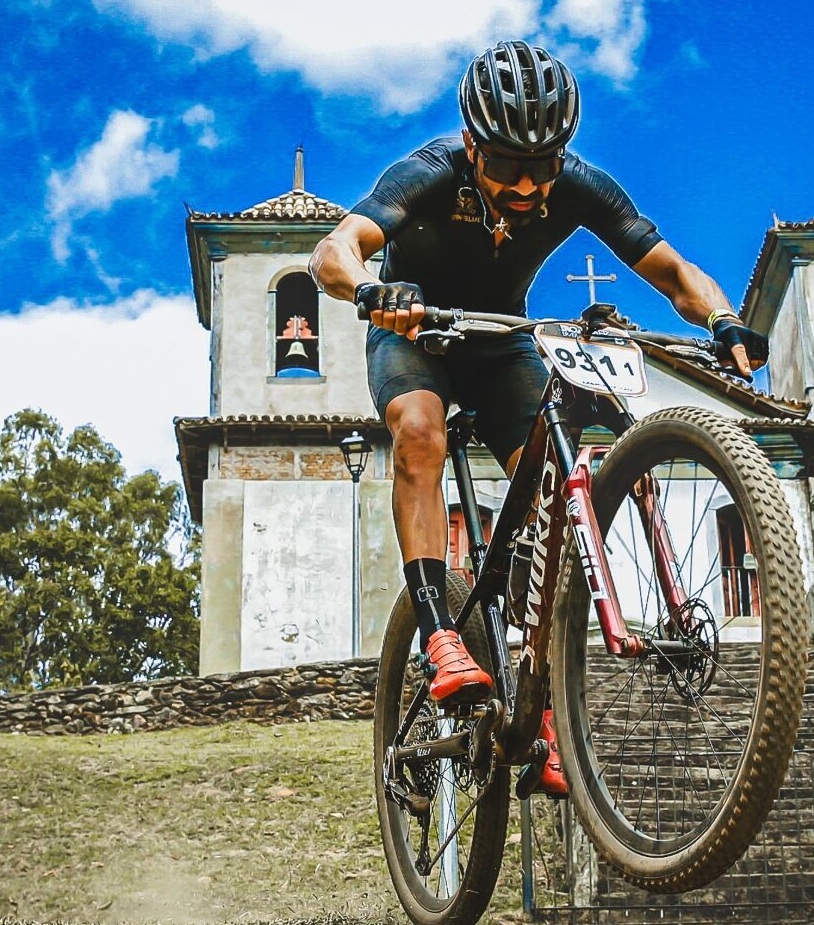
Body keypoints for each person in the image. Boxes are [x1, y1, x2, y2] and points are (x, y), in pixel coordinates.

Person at [310, 40, 769, 757]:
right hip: (417, 333)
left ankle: (535, 680)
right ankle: (438, 635)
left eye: (543, 168)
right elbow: (334, 250)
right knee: (419, 431)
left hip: (501, 344)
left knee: (553, 486)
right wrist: (372, 290)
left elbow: (676, 272)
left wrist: (725, 320)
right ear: (471, 145)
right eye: (504, 168)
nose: (526, 188)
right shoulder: (430, 172)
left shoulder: (582, 185)